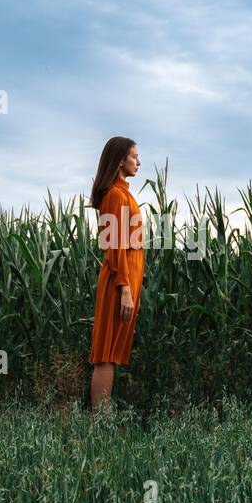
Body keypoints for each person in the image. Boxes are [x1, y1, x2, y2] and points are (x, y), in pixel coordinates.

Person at [88, 136, 144, 410]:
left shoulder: (124, 193)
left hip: (125, 284)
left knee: (112, 352)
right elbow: (114, 246)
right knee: (105, 353)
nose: (139, 162)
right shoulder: (114, 195)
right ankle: (99, 425)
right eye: (135, 156)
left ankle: (102, 421)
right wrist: (124, 289)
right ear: (121, 159)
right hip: (117, 285)